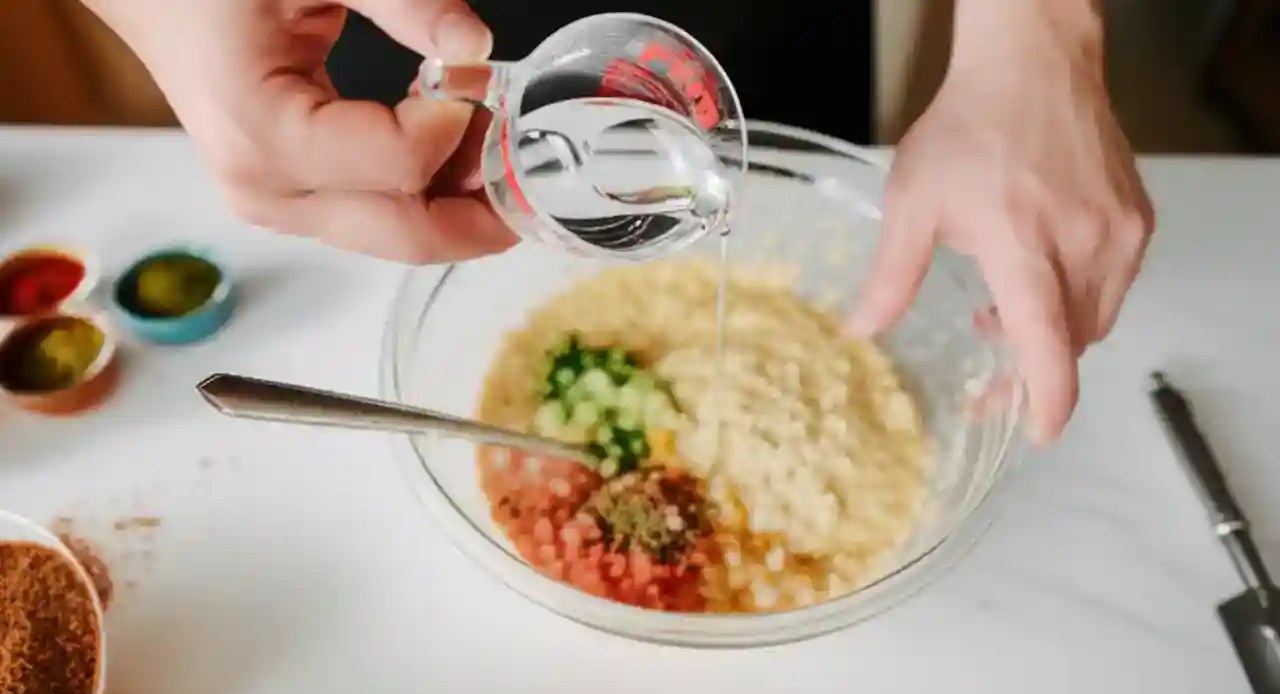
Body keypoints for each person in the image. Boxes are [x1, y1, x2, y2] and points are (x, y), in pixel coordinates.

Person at [82, 0, 1153, 444]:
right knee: (403, 187)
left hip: (751, 33)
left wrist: (1039, 34)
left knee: (775, 152)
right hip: (361, 41)